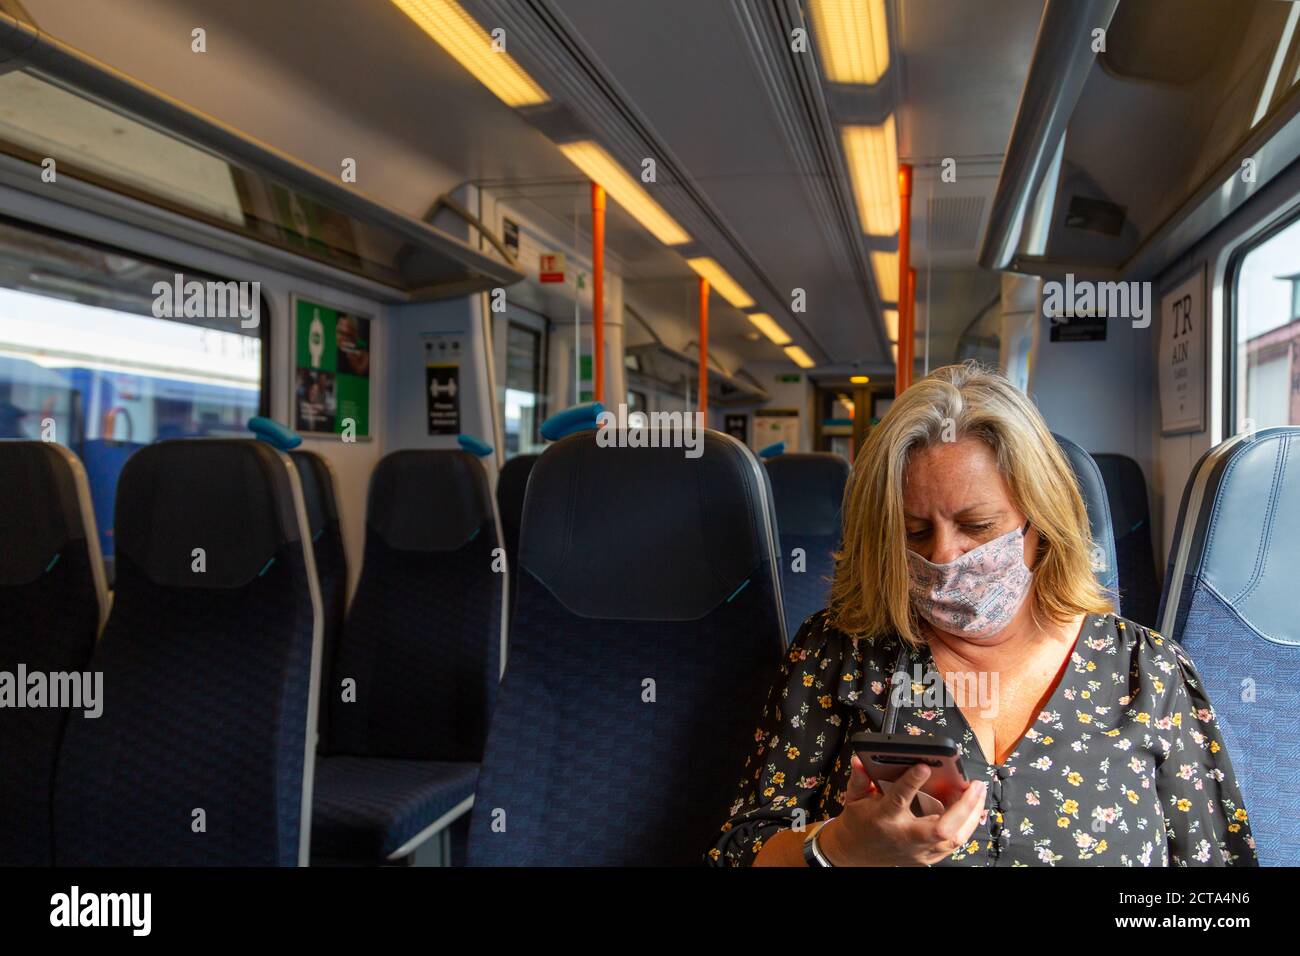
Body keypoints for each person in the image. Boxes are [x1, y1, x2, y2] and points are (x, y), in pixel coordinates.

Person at [708, 362, 1257, 867]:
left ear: (1040, 526)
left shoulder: (1147, 673)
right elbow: (737, 851)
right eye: (915, 532)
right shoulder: (841, 654)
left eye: (977, 526)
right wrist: (839, 848)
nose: (944, 555)